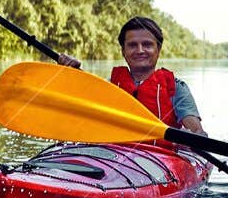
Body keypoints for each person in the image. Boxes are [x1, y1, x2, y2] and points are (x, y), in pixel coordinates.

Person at [58, 16, 206, 135]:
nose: (140, 50)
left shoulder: (176, 89)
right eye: (132, 45)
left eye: (147, 44)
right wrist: (73, 74)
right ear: (123, 51)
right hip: (113, 158)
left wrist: (198, 137)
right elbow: (78, 103)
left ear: (158, 49)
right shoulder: (110, 87)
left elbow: (196, 131)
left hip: (159, 163)